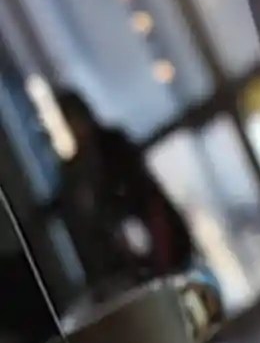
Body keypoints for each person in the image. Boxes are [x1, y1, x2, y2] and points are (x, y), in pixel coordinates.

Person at [52, 92, 196, 299]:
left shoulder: (110, 146)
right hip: (135, 244)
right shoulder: (82, 163)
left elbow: (136, 189)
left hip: (150, 228)